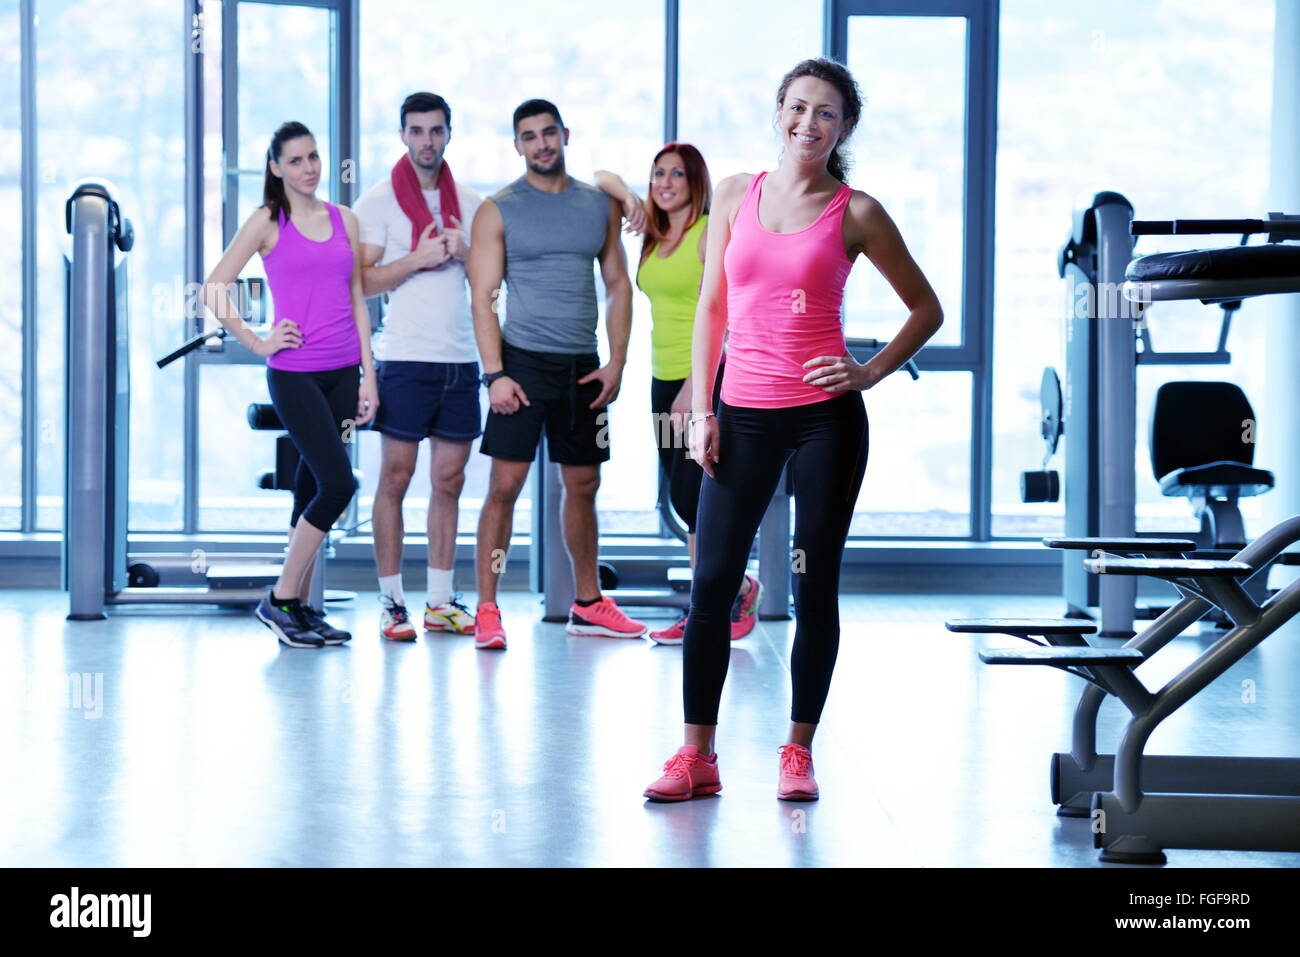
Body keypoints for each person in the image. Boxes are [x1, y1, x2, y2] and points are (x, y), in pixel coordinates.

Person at [643, 58, 943, 802]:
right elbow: (712, 305)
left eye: (826, 114)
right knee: (711, 582)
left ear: (844, 128)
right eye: (798, 107)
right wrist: (703, 408)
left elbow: (926, 309)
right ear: (778, 110)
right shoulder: (738, 194)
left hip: (823, 423)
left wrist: (868, 371)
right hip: (739, 415)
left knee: (813, 586)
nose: (808, 123)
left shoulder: (858, 211)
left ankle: (798, 750)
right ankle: (697, 756)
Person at [467, 98, 647, 651]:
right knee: (504, 486)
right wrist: (494, 374)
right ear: (517, 145)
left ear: (565, 134)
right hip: (520, 365)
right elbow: (483, 296)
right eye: (529, 136)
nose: (541, 143)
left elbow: (618, 283)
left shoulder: (598, 206)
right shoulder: (498, 209)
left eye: (549, 133)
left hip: (582, 367)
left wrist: (616, 360)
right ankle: (489, 609)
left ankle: (588, 603)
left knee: (585, 485)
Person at [202, 121, 378, 648]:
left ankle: (298, 609)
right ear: (276, 167)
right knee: (339, 485)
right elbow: (214, 286)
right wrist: (256, 341)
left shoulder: (345, 219)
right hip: (295, 375)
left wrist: (369, 374)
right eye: (297, 160)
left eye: (314, 158)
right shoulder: (267, 221)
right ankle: (280, 599)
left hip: (343, 374)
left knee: (308, 491)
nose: (309, 169)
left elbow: (356, 300)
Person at [595, 146, 760, 646]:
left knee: (697, 493)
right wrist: (628, 195)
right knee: (682, 495)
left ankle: (713, 603)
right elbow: (600, 175)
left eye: (677, 174)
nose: (665, 182)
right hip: (663, 381)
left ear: (696, 181)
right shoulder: (654, 234)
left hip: (703, 380)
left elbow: (732, 309)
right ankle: (726, 592)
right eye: (657, 174)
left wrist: (698, 383)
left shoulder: (708, 231)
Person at [356, 92, 482, 642]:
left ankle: (438, 601)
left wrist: (464, 252)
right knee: (396, 478)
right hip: (404, 358)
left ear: (450, 133)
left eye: (436, 130)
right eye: (417, 131)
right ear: (403, 135)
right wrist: (418, 259)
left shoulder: (473, 205)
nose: (427, 140)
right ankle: (391, 603)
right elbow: (360, 282)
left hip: (459, 360)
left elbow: (490, 283)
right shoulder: (378, 202)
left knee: (448, 481)